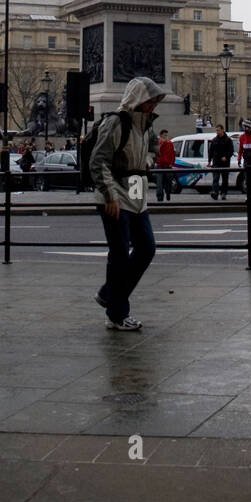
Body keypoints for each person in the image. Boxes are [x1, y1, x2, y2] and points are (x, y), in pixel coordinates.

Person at [90, 77, 164, 331]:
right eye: (150, 99)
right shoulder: (115, 122)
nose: (153, 104)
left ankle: (109, 292)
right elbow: (98, 160)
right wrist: (109, 195)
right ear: (138, 99)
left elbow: (153, 148)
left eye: (155, 100)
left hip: (137, 194)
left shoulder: (147, 125)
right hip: (115, 194)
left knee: (146, 248)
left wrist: (150, 160)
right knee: (120, 253)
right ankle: (118, 313)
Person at [208, 124, 234, 199]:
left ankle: (223, 193)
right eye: (216, 130)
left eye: (218, 130)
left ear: (222, 130)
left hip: (225, 163)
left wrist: (226, 157)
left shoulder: (228, 140)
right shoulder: (214, 140)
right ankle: (215, 192)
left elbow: (231, 151)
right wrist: (209, 161)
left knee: (224, 179)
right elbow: (211, 151)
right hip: (216, 162)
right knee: (215, 178)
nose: (217, 132)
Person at [154, 128, 176, 202]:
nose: (166, 137)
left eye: (166, 135)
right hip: (160, 165)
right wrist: (163, 142)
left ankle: (168, 193)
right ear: (160, 136)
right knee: (159, 183)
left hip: (168, 166)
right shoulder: (158, 142)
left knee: (168, 182)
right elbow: (158, 149)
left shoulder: (170, 143)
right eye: (164, 136)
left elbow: (173, 154)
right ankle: (160, 197)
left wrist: (172, 163)